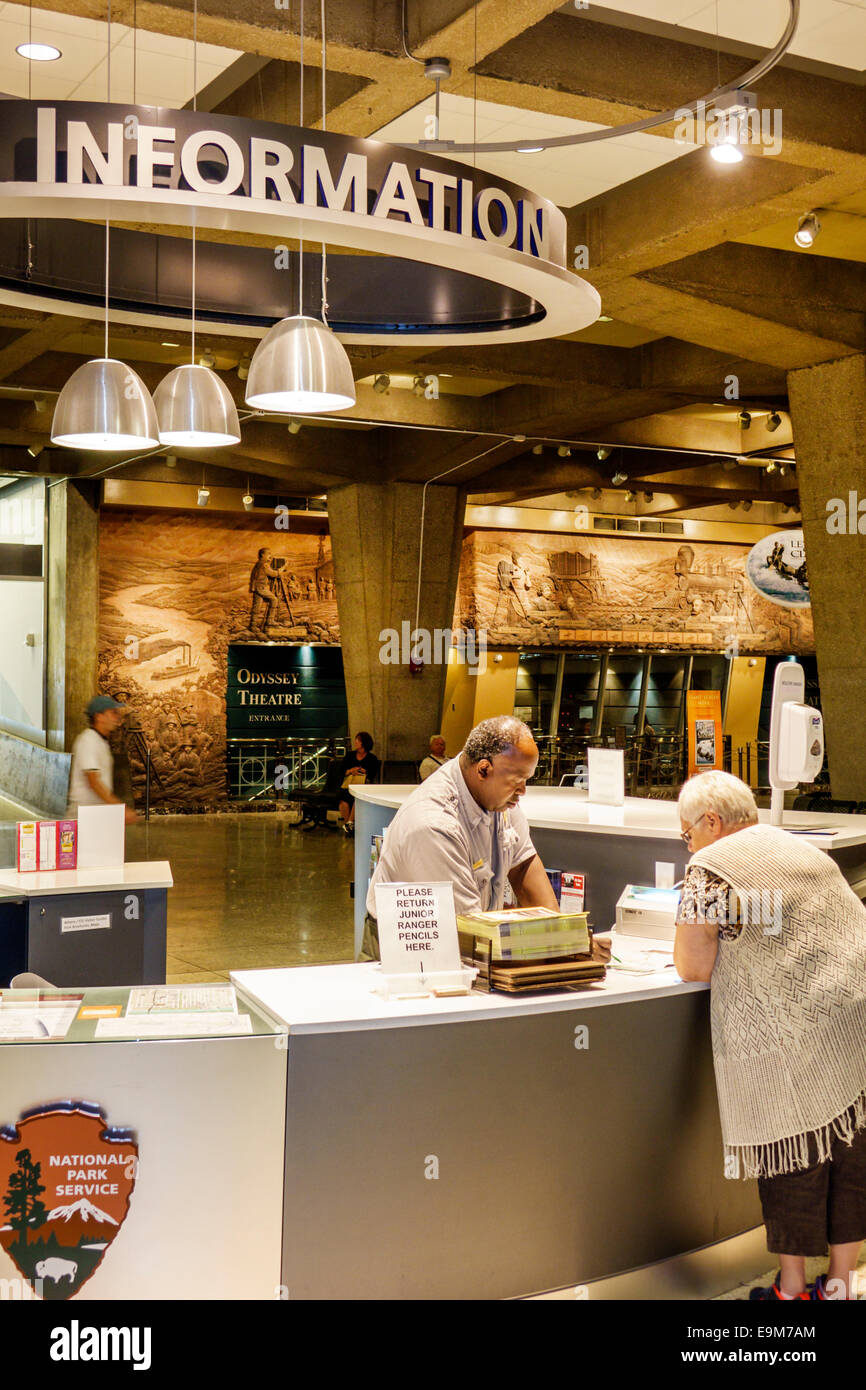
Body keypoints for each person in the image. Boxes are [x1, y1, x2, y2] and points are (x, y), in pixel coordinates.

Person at [674, 770, 866, 1301]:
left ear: (711, 822)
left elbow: (692, 964)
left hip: (791, 1029)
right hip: (853, 1016)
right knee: (850, 1152)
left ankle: (793, 1288)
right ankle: (843, 1287)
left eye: (686, 833)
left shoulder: (709, 868)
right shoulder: (805, 850)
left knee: (792, 1149)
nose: (687, 844)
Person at [364, 715, 611, 964]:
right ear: (483, 769)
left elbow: (524, 868)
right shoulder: (434, 824)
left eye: (526, 781)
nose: (522, 791)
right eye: (516, 781)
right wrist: (560, 948)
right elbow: (470, 932)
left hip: (466, 939)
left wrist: (565, 939)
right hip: (406, 951)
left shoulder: (500, 799)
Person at [67, 696, 138, 824]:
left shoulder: (101, 742)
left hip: (96, 815)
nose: (117, 717)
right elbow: (93, 781)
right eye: (113, 713)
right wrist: (121, 809)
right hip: (84, 816)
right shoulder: (88, 740)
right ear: (99, 716)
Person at [338, 732, 380, 836]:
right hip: (349, 784)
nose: (355, 742)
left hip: (363, 786)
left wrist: (363, 771)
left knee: (358, 797)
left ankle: (349, 824)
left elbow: (372, 774)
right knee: (343, 799)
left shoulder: (372, 758)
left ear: (364, 743)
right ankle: (349, 825)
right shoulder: (350, 755)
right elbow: (342, 771)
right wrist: (351, 770)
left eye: (358, 740)